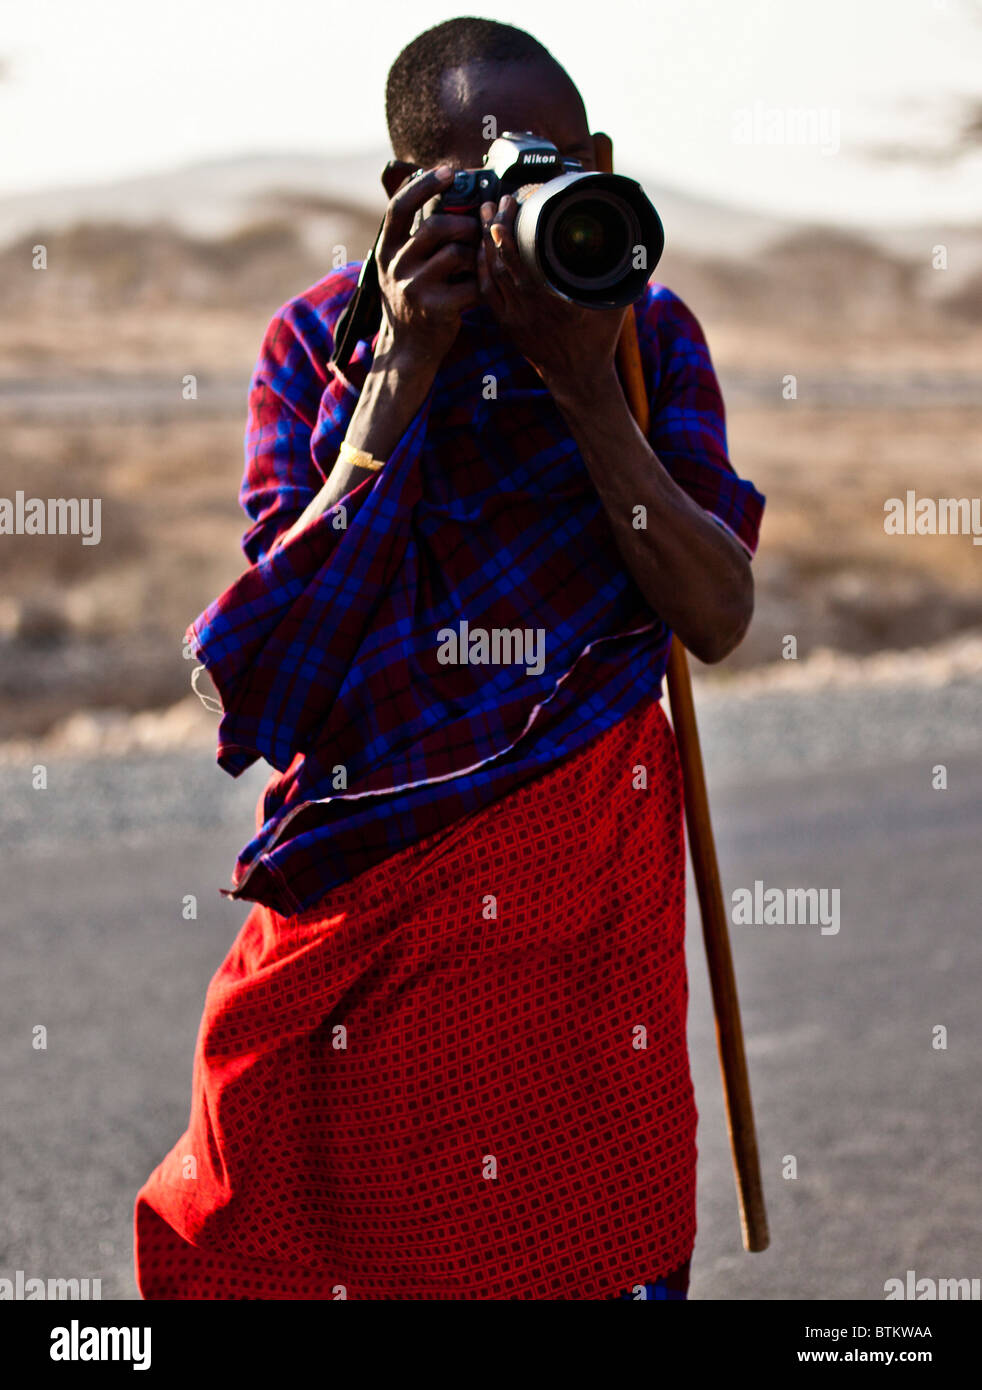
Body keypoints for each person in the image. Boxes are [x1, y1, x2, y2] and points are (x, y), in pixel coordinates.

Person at [135, 16, 765, 1301]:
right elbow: (279, 667)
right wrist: (403, 372)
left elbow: (715, 612)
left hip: (583, 893)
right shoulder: (317, 343)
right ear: (404, 195)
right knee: (285, 1224)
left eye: (548, 169)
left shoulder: (643, 335)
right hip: (368, 888)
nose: (522, 206)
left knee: (585, 1244)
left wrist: (586, 390)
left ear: (598, 160)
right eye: (481, 180)